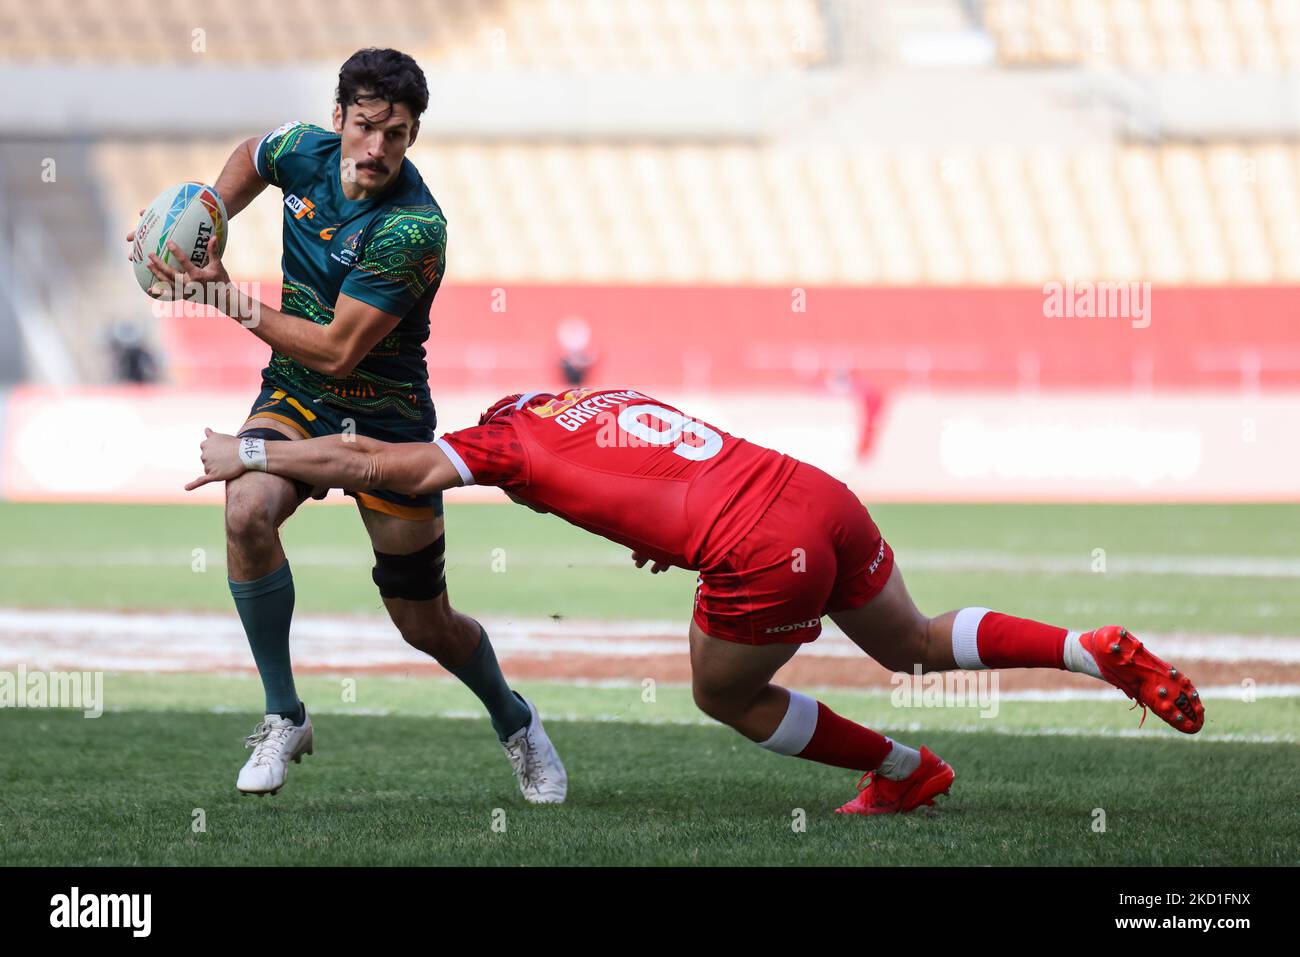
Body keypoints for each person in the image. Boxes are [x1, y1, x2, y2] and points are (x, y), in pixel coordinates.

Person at [188, 387, 1205, 815]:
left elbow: (389, 465)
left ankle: (907, 771)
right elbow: (648, 473)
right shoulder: (597, 401)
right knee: (914, 643)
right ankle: (1084, 646)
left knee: (724, 696)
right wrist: (659, 535)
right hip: (812, 493)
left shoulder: (502, 441)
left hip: (760, 551)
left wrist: (255, 454)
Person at [129, 48, 564, 802]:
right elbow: (251, 156)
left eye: (396, 134)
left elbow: (336, 350)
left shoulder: (414, 229)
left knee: (423, 622)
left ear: (412, 136)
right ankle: (283, 714)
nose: (377, 148)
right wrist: (201, 222)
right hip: (296, 397)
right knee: (246, 510)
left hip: (387, 420)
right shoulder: (303, 149)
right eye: (366, 127)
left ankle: (515, 719)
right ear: (339, 119)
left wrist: (224, 296)